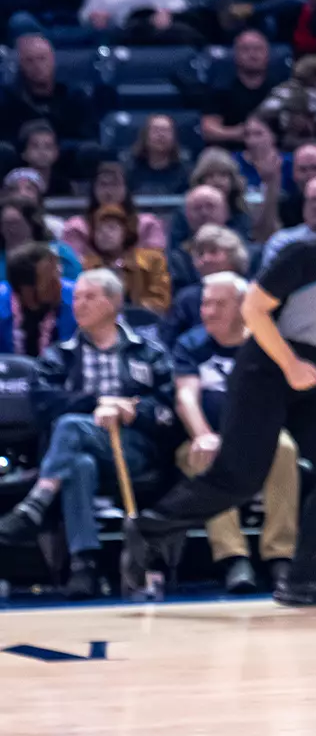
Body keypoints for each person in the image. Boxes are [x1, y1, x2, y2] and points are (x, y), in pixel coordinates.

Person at [128, 187, 316, 605]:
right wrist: (288, 364)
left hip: (310, 367)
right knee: (239, 478)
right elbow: (253, 309)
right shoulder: (301, 256)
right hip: (264, 364)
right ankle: (149, 528)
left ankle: (303, 579)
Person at [0, 271, 173, 598]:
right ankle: (84, 563)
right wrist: (98, 403)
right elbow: (44, 403)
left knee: (70, 427)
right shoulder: (58, 355)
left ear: (114, 303)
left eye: (89, 297)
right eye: (76, 297)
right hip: (77, 450)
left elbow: (167, 407)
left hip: (133, 448)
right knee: (78, 462)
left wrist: (130, 411)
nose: (78, 304)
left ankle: (37, 501)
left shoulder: (148, 353)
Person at [170, 272, 300, 595]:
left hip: (258, 434)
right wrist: (202, 434)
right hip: (206, 436)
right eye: (205, 303)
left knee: (284, 448)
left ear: (243, 306)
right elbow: (186, 396)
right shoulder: (190, 344)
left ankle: (280, 556)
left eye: (218, 304)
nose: (208, 311)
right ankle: (233, 558)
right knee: (204, 456)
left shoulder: (265, 342)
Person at [80, 206, 170, 313]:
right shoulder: (88, 266)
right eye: (99, 229)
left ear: (126, 232)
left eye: (111, 227)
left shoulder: (153, 260)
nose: (104, 233)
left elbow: (161, 301)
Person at [0, 243, 74, 356]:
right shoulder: (2, 303)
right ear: (26, 290)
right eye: (50, 282)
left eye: (59, 275)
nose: (59, 285)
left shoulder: (75, 298)